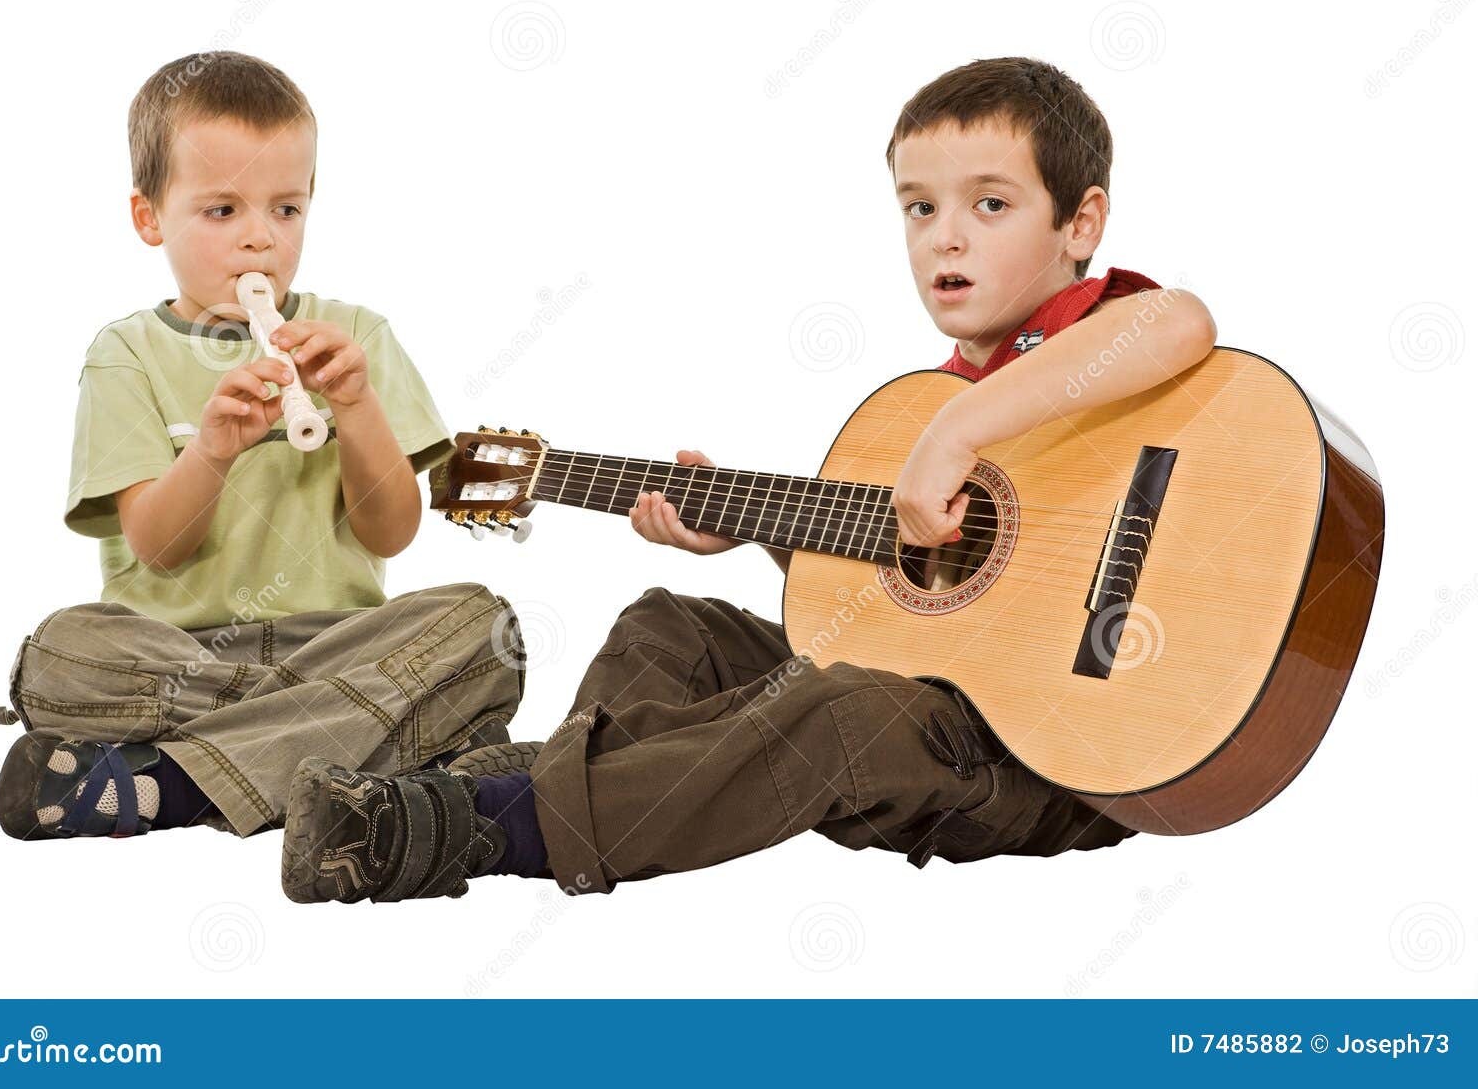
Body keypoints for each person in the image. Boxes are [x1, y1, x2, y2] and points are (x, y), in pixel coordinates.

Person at [278, 56, 1219, 903]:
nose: (946, 238)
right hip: (932, 712)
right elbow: (916, 615)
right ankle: (527, 789)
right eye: (920, 208)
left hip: (1058, 763)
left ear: (1081, 222)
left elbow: (1181, 321)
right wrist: (758, 526)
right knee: (668, 627)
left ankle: (479, 821)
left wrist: (957, 429)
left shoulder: (1078, 349)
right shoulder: (935, 403)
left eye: (992, 205)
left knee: (834, 709)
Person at [0, 51, 521, 843]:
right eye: (221, 211)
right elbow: (158, 549)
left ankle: (168, 783)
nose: (260, 241)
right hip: (180, 655)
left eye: (285, 209)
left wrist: (356, 405)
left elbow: (391, 533)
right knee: (61, 652)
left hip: (341, 642)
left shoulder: (358, 336)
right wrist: (210, 453)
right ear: (149, 218)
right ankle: (374, 740)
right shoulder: (126, 352)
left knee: (482, 627)